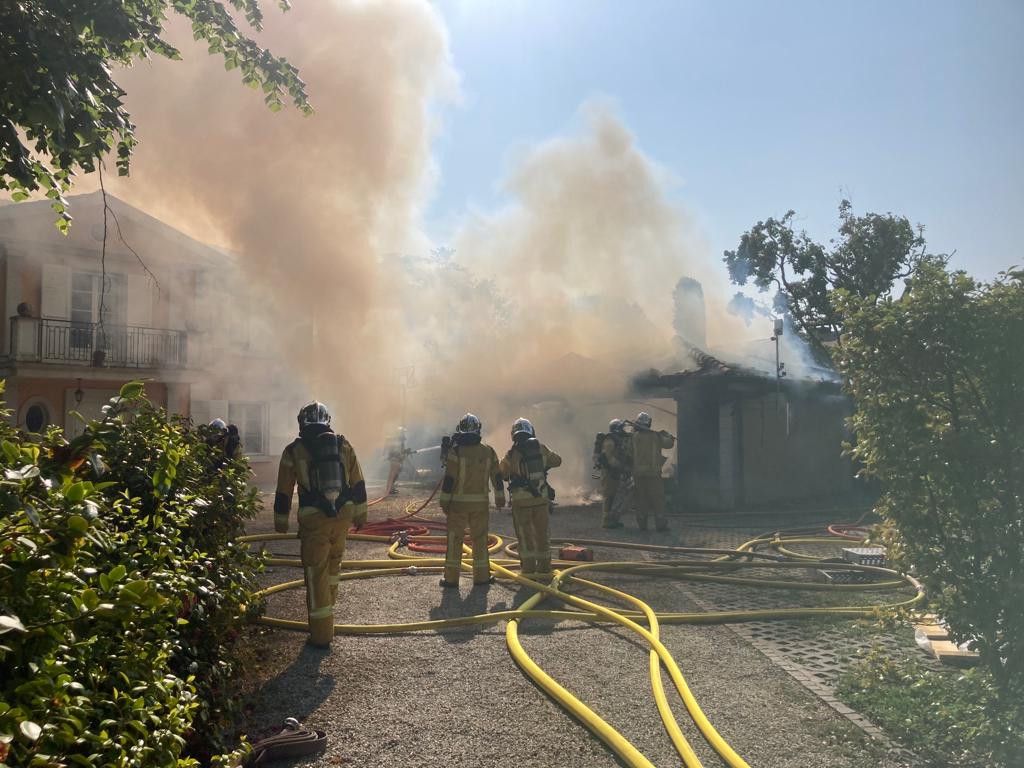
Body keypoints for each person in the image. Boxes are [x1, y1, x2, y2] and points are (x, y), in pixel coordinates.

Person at [274, 401, 368, 649]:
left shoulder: (293, 451)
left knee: (316, 574)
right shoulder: (343, 444)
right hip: (343, 516)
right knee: (334, 565)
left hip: (314, 519)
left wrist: (280, 521)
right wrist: (360, 515)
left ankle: (321, 635)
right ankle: (329, 610)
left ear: (302, 422)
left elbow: (284, 490)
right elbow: (358, 482)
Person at [438, 413, 505, 588]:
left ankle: (451, 579)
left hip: (457, 506)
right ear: (478, 429)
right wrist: (500, 499)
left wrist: (444, 503)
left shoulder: (456, 452)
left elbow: (449, 480)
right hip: (480, 506)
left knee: (455, 540)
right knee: (480, 540)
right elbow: (497, 477)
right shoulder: (488, 451)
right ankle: (482, 577)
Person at [499, 418, 561, 581]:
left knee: (525, 537)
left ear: (513, 434)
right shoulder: (540, 448)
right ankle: (544, 569)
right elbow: (557, 461)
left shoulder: (511, 454)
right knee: (542, 535)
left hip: (521, 502)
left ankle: (528, 571)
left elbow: (502, 474)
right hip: (541, 500)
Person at [630, 411, 675, 532]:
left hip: (638, 474)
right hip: (653, 474)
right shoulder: (656, 437)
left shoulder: (634, 437)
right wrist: (669, 435)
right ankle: (660, 525)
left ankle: (642, 525)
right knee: (658, 499)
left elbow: (629, 453)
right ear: (649, 424)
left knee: (641, 500)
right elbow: (669, 444)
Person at [597, 418, 632, 529]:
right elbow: (610, 458)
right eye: (621, 428)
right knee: (609, 497)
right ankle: (606, 521)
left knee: (616, 496)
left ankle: (613, 520)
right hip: (609, 473)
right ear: (617, 429)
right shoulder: (609, 440)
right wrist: (621, 467)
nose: (623, 430)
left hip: (615, 473)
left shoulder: (617, 440)